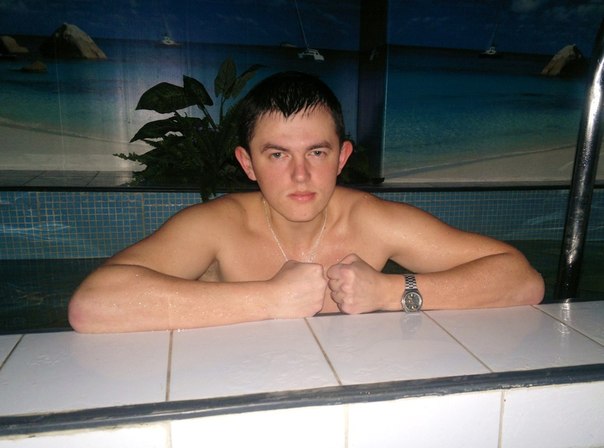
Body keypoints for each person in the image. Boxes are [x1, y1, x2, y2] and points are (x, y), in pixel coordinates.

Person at [68, 71, 544, 333]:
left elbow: (522, 279)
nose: (300, 174)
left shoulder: (374, 221)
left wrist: (388, 292)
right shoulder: (216, 227)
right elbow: (93, 305)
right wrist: (270, 299)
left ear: (342, 157)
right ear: (247, 163)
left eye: (317, 152)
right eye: (277, 154)